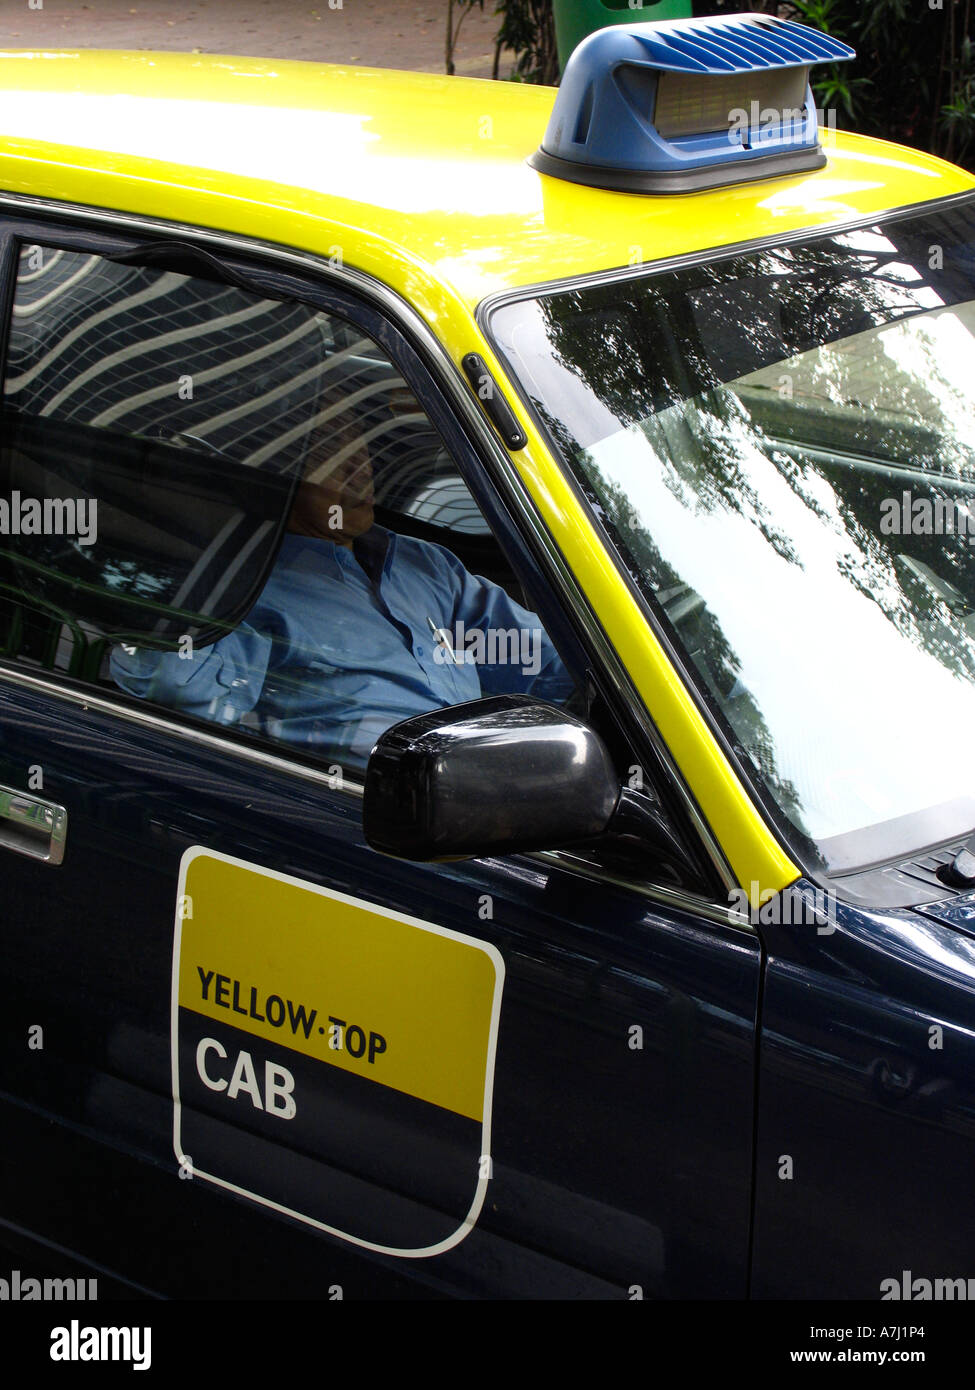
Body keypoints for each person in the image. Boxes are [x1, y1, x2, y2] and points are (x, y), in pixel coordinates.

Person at [111, 433, 573, 770]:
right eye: (328, 451)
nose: (358, 466)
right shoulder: (251, 594)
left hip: (497, 786)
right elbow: (169, 683)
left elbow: (547, 660)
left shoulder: (424, 565)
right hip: (377, 825)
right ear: (275, 475)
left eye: (359, 442)